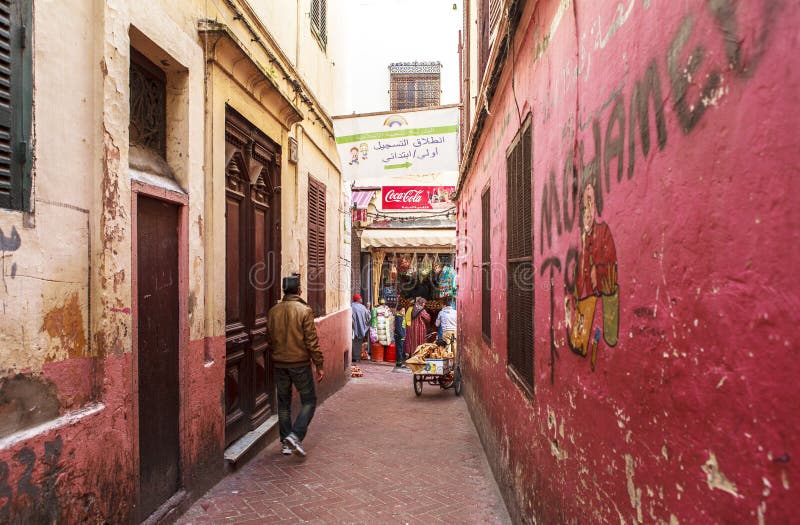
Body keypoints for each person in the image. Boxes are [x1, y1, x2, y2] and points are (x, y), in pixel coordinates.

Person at [267, 274, 324, 457]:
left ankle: (285, 442)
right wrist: (319, 364)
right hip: (299, 363)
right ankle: (295, 435)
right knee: (309, 400)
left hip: (280, 363)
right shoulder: (304, 310)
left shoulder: (273, 311)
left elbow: (269, 340)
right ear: (299, 289)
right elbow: (311, 341)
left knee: (283, 403)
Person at [565, 182, 619, 371]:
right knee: (578, 343)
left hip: (597, 300)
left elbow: (610, 269)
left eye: (592, 202)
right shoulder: (578, 240)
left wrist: (598, 273)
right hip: (581, 304)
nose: (588, 209)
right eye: (585, 204)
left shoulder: (603, 232)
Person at [351, 294, 371, 363]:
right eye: (360, 298)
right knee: (358, 343)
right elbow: (368, 317)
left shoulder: (351, 306)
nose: (362, 299)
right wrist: (368, 308)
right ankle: (357, 357)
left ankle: (352, 357)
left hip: (352, 329)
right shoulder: (363, 307)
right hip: (360, 329)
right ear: (358, 299)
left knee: (352, 342)